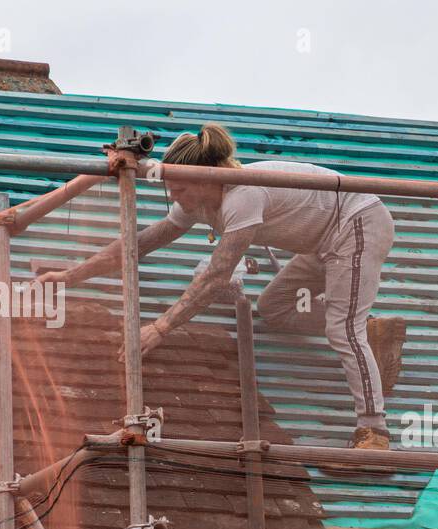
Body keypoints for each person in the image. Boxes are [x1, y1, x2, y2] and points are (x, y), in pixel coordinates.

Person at [36, 123, 396, 452]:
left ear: (207, 179)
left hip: (357, 223)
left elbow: (216, 275)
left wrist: (160, 328)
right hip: (320, 244)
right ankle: (370, 332)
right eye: (171, 188)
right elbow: (142, 242)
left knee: (342, 328)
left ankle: (373, 430)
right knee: (275, 307)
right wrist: (70, 276)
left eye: (180, 189)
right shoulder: (200, 198)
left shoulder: (243, 195)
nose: (175, 197)